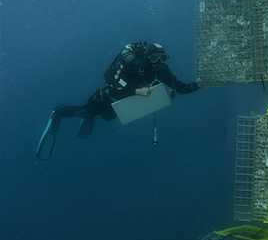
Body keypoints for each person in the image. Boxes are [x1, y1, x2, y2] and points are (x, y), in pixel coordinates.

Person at [36, 41, 199, 159]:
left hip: (118, 108)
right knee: (88, 110)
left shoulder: (161, 71)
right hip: (104, 98)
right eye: (155, 58)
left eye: (163, 58)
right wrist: (137, 91)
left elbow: (179, 87)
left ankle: (90, 116)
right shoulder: (132, 64)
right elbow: (114, 86)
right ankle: (57, 113)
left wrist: (196, 85)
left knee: (106, 117)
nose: (159, 62)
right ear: (148, 57)